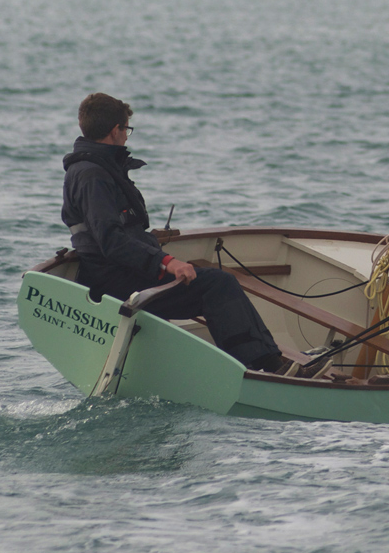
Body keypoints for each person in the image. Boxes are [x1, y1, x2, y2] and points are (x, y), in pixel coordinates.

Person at [61, 93, 289, 373]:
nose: (126, 138)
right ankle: (263, 367)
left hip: (121, 271)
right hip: (113, 281)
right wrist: (167, 262)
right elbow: (111, 240)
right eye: (126, 130)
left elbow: (113, 230)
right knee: (219, 285)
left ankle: (265, 358)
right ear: (114, 131)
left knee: (216, 282)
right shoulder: (92, 175)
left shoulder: (96, 167)